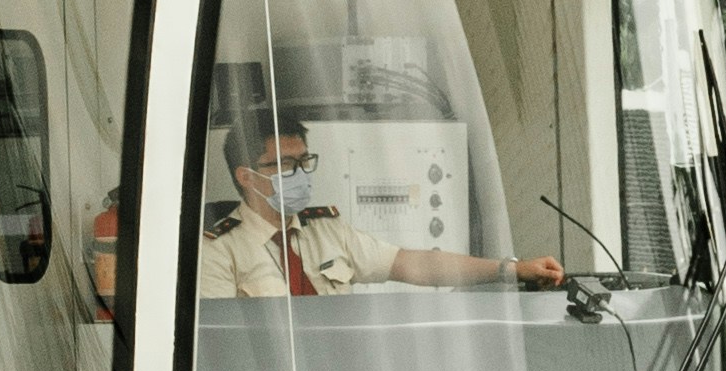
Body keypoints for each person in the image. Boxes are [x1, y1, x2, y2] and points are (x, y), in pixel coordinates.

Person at [194, 120, 562, 300]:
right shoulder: (218, 250)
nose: (302, 174)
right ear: (246, 176)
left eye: (306, 161)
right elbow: (222, 350)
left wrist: (511, 270)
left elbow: (413, 264)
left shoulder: (327, 231)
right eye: (286, 165)